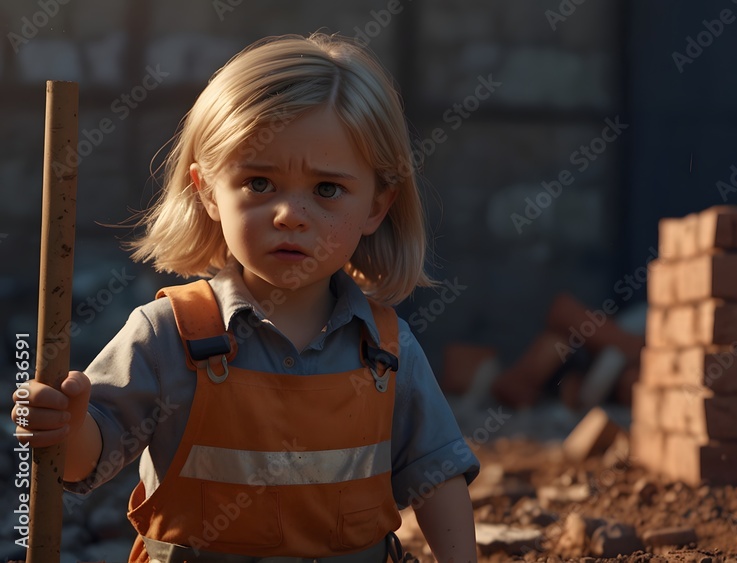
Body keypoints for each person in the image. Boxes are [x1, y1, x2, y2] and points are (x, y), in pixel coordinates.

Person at [11, 33, 479, 562]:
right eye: (259, 183)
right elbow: (82, 464)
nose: (289, 215)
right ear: (208, 191)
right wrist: (65, 428)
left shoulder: (387, 349)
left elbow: (436, 476)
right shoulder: (168, 333)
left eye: (327, 189)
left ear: (377, 204)